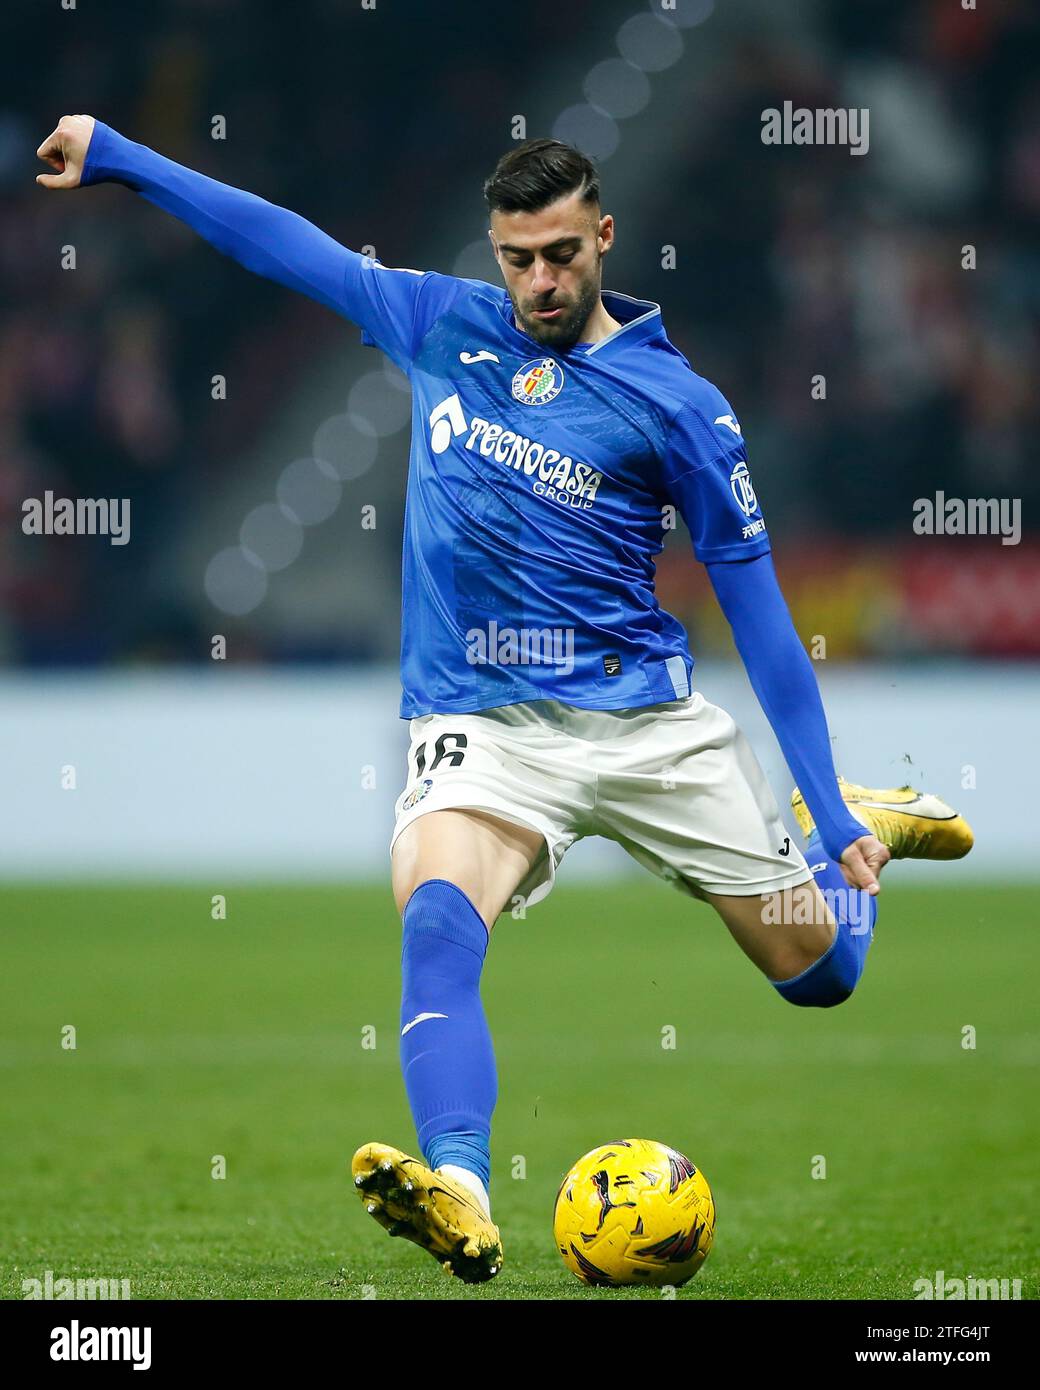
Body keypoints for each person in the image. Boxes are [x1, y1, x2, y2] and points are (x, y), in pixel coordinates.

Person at [36, 115, 973, 1284]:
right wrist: (122, 154)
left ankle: (856, 835)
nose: (538, 280)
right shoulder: (442, 322)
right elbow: (284, 245)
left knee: (822, 978)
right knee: (434, 920)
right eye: (517, 257)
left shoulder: (679, 406)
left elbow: (764, 618)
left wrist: (828, 806)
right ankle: (463, 1190)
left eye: (561, 255)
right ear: (494, 251)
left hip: (640, 723)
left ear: (603, 237)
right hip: (478, 726)